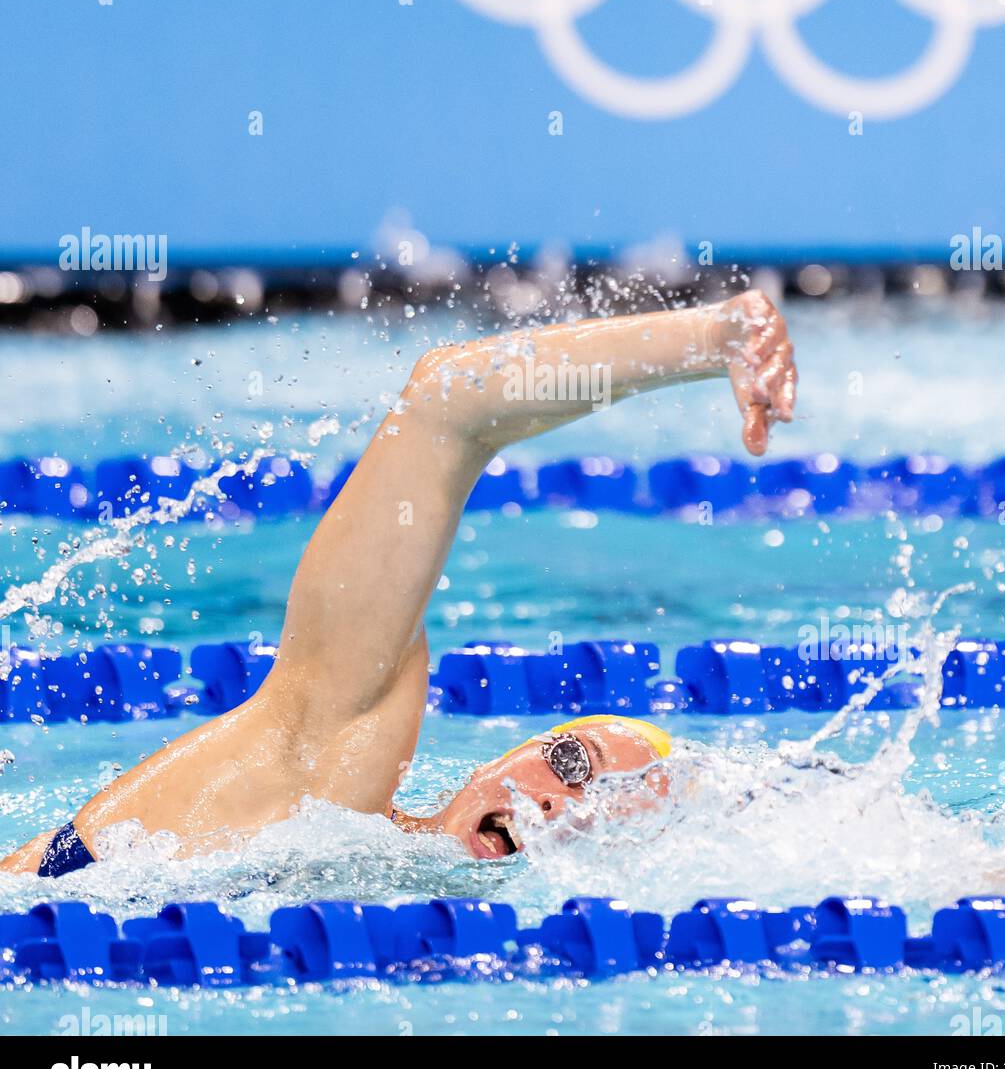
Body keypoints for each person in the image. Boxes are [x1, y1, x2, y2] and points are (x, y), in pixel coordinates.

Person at [0, 291, 797, 876]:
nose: (558, 801)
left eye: (605, 807)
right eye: (571, 761)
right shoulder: (326, 770)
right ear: (496, 761)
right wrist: (708, 336)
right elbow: (446, 405)